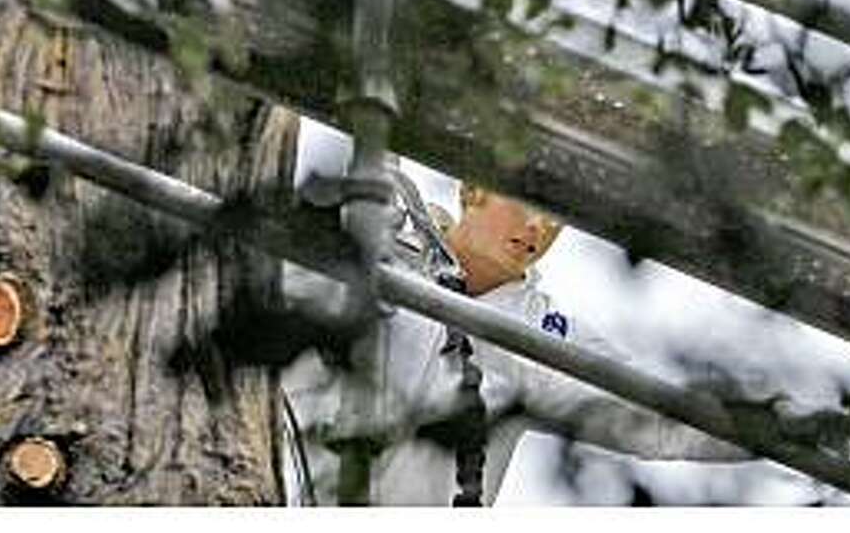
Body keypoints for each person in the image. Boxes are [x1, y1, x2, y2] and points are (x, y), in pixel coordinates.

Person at [279, 176, 748, 505]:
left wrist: (776, 426)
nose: (538, 227)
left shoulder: (540, 334)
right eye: (528, 202)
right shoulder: (377, 243)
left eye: (558, 219)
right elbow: (261, 292)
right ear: (473, 189)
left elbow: (656, 421)